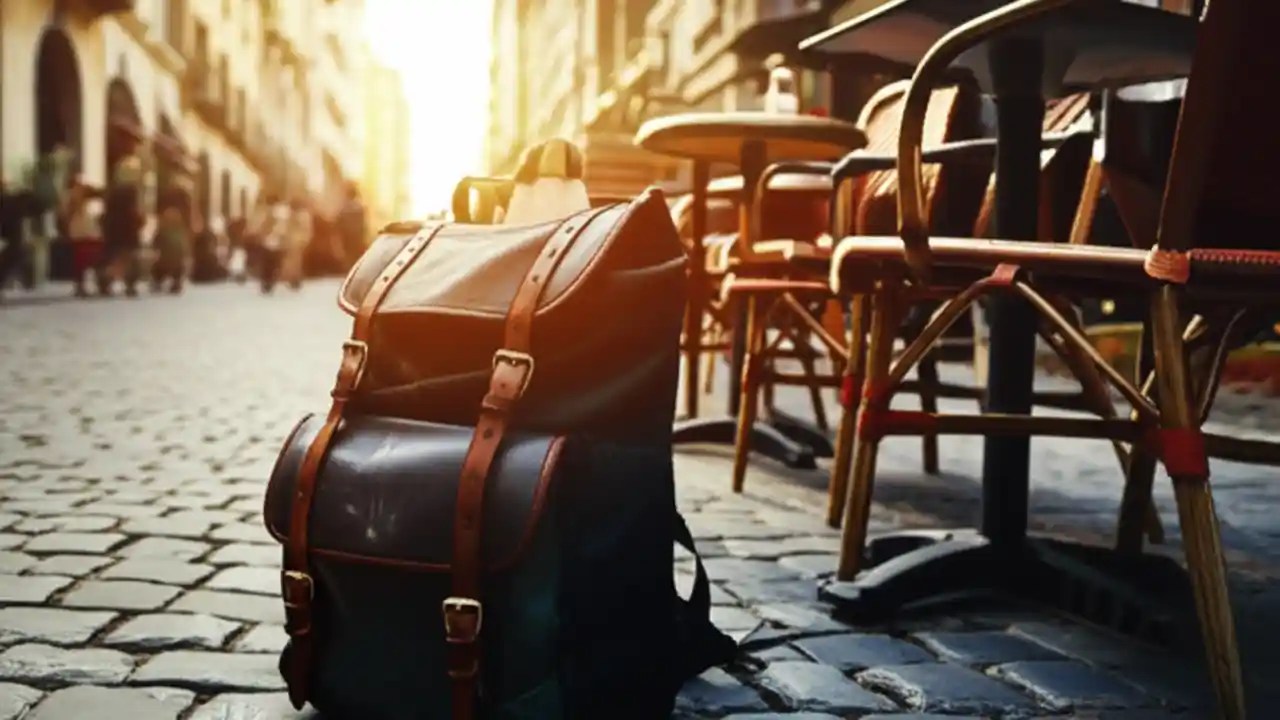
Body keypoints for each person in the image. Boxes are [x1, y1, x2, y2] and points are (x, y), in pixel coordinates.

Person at [98, 154, 145, 297]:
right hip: (128, 228)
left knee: (114, 255)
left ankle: (106, 279)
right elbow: (135, 210)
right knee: (129, 256)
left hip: (113, 227)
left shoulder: (113, 190)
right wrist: (140, 221)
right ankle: (127, 282)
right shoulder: (132, 191)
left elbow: (107, 209)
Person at [62, 177, 103, 297]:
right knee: (82, 260)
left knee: (81, 260)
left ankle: (81, 285)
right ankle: (81, 285)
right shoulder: (72, 198)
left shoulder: (74, 198)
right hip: (82, 231)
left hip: (81, 231)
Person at [258, 193, 289, 294]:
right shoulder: (281, 213)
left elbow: (266, 226)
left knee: (270, 263)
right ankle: (268, 282)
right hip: (273, 242)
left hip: (272, 241)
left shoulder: (274, 213)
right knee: (272, 263)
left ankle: (268, 282)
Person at [281, 197, 311, 290]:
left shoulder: (299, 215)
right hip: (296, 241)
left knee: (294, 262)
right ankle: (294, 279)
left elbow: (303, 228)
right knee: (295, 262)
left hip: (295, 241)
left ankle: (294, 279)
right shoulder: (303, 215)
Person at [337, 182, 367, 269]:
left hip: (347, 238)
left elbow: (339, 226)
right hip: (357, 238)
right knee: (356, 260)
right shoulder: (360, 208)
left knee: (349, 259)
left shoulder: (343, 209)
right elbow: (363, 226)